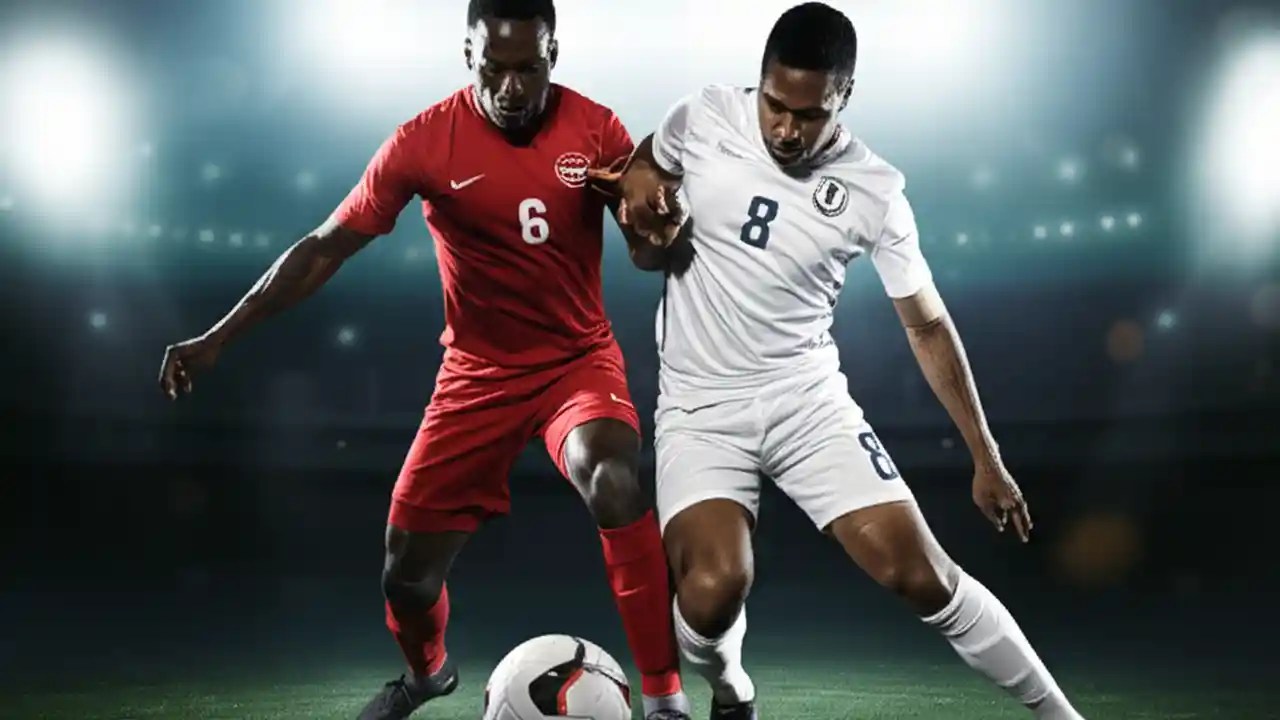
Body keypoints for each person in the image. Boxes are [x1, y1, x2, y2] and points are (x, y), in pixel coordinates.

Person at [156, 1, 691, 718]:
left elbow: (649, 253)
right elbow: (324, 248)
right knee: (405, 577)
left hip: (576, 362)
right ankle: (427, 675)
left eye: (527, 68)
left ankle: (664, 699)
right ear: (466, 55)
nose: (509, 87)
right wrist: (216, 336)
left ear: (553, 55)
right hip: (477, 375)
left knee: (615, 478)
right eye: (492, 68)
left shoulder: (596, 129)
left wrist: (663, 231)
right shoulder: (423, 142)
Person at [593, 3, 1086, 719]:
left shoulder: (875, 189)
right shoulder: (698, 118)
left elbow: (927, 324)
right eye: (775, 106)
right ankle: (730, 684)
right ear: (757, 83)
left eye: (810, 114)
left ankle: (1061, 715)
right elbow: (646, 242)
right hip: (702, 408)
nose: (787, 129)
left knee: (921, 575)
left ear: (844, 98)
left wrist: (986, 456)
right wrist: (649, 225)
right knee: (712, 589)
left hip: (806, 400)